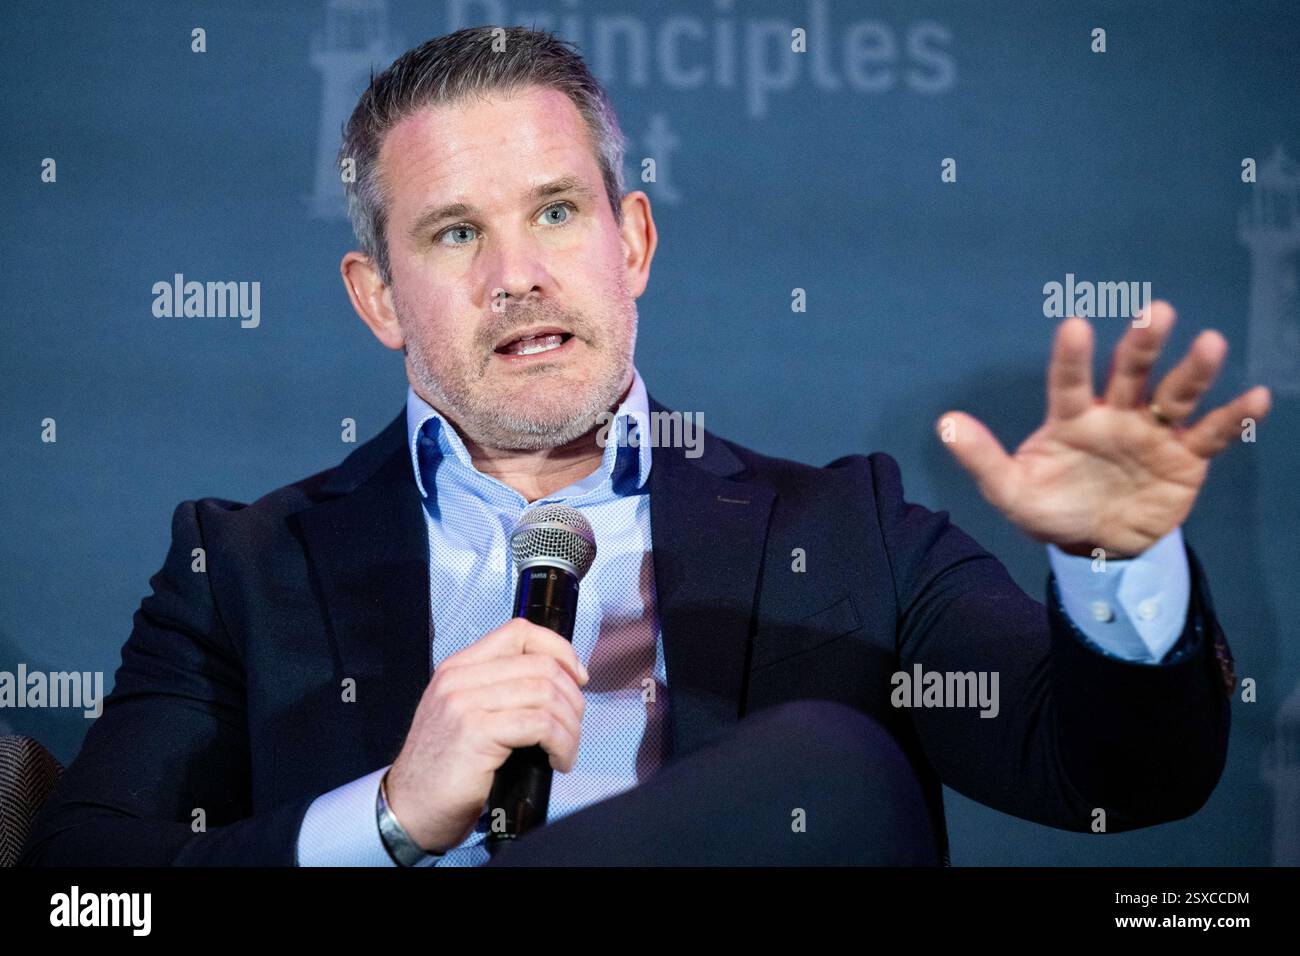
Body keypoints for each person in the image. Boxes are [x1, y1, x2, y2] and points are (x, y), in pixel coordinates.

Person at [20, 26, 1267, 867]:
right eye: (455, 235)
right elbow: (88, 893)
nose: (517, 277)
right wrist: (390, 816)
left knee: (827, 770)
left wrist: (1118, 565)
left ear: (634, 246)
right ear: (378, 298)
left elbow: (1116, 774)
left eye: (555, 213)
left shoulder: (847, 534)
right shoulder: (240, 569)